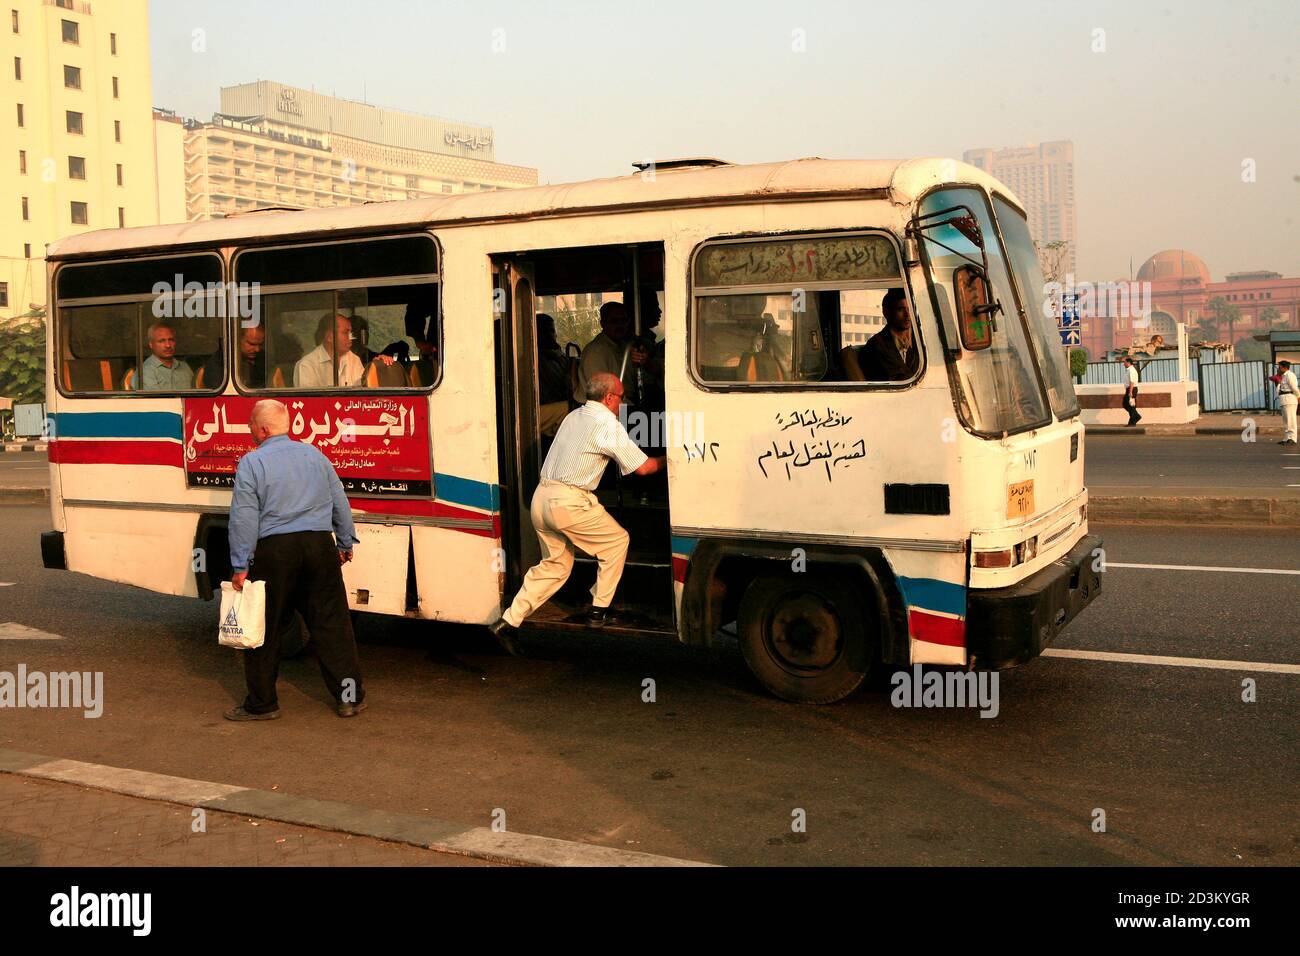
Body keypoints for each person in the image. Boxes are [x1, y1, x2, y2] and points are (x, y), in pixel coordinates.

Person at [489, 373, 667, 654]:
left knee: (556, 565)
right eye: (622, 397)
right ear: (609, 398)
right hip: (569, 501)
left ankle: (509, 622)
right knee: (617, 541)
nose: (624, 403)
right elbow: (643, 468)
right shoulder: (607, 424)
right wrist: (672, 458)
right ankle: (599, 610)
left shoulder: (573, 417)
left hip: (542, 498)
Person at [224, 399, 366, 720]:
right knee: (332, 625)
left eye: (250, 426)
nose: (249, 432)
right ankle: (348, 699)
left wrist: (240, 564)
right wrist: (345, 541)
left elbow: (244, 518)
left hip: (275, 552)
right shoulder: (316, 455)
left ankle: (262, 704)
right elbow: (339, 501)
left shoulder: (252, 462)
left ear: (262, 429)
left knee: (266, 628)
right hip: (319, 546)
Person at [841, 288, 918, 382]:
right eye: (900, 309)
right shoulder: (877, 345)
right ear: (886, 313)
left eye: (909, 309)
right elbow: (899, 379)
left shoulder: (914, 342)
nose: (907, 314)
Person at [573, 301, 634, 404]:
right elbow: (602, 394)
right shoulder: (596, 352)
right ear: (603, 324)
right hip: (600, 409)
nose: (620, 325)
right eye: (614, 321)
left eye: (623, 321)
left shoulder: (624, 346)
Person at [294, 313, 365, 388]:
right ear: (329, 337)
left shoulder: (354, 360)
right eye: (345, 333)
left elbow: (363, 395)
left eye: (351, 333)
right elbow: (308, 399)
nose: (351, 337)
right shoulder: (307, 365)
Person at [537, 313, 573, 437]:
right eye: (543, 331)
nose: (549, 335)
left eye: (551, 331)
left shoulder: (560, 357)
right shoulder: (534, 359)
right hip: (542, 408)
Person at [204, 324, 267, 389]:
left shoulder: (263, 359)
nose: (257, 349)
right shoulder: (220, 361)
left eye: (260, 344)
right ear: (237, 339)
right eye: (252, 344)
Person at [139, 321, 194, 390]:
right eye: (161, 341)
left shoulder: (185, 367)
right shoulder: (145, 371)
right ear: (151, 344)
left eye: (171, 340)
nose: (168, 345)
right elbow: (153, 400)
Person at [1275, 359, 1298, 445]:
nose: (1278, 369)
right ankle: (1286, 438)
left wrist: (1298, 397)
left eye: (1280, 367)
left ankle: (1292, 439)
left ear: (1285, 368)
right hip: (1284, 400)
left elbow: (1294, 388)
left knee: (1291, 420)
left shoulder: (1290, 375)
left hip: (1290, 399)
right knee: (1286, 421)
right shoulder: (1283, 376)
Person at [1122, 355, 1142, 427]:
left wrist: (1130, 392)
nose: (1123, 364)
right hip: (1130, 389)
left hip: (1132, 389)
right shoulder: (1129, 370)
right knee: (1128, 405)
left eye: (1124, 362)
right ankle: (1135, 418)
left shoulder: (1131, 370)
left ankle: (1133, 420)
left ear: (1128, 363)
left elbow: (1132, 382)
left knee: (1130, 405)